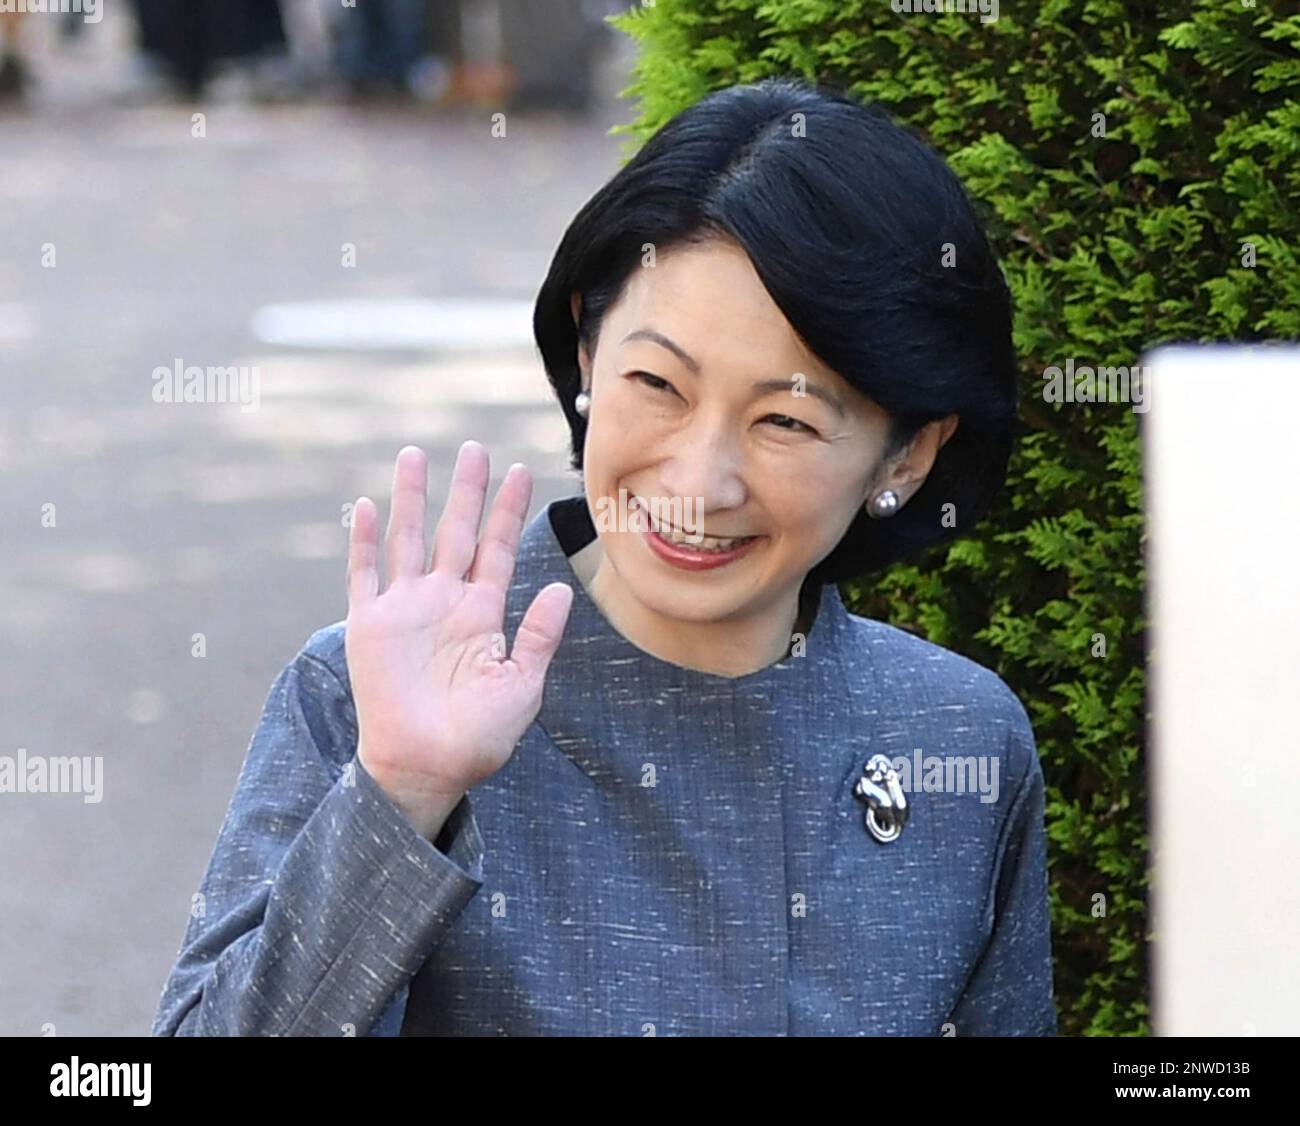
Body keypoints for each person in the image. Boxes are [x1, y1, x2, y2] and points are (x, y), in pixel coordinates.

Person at [151, 76, 1057, 1036]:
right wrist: (401, 795)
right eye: (658, 382)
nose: (701, 482)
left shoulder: (959, 738)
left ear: (908, 456)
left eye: (784, 420)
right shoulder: (373, 693)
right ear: (586, 352)